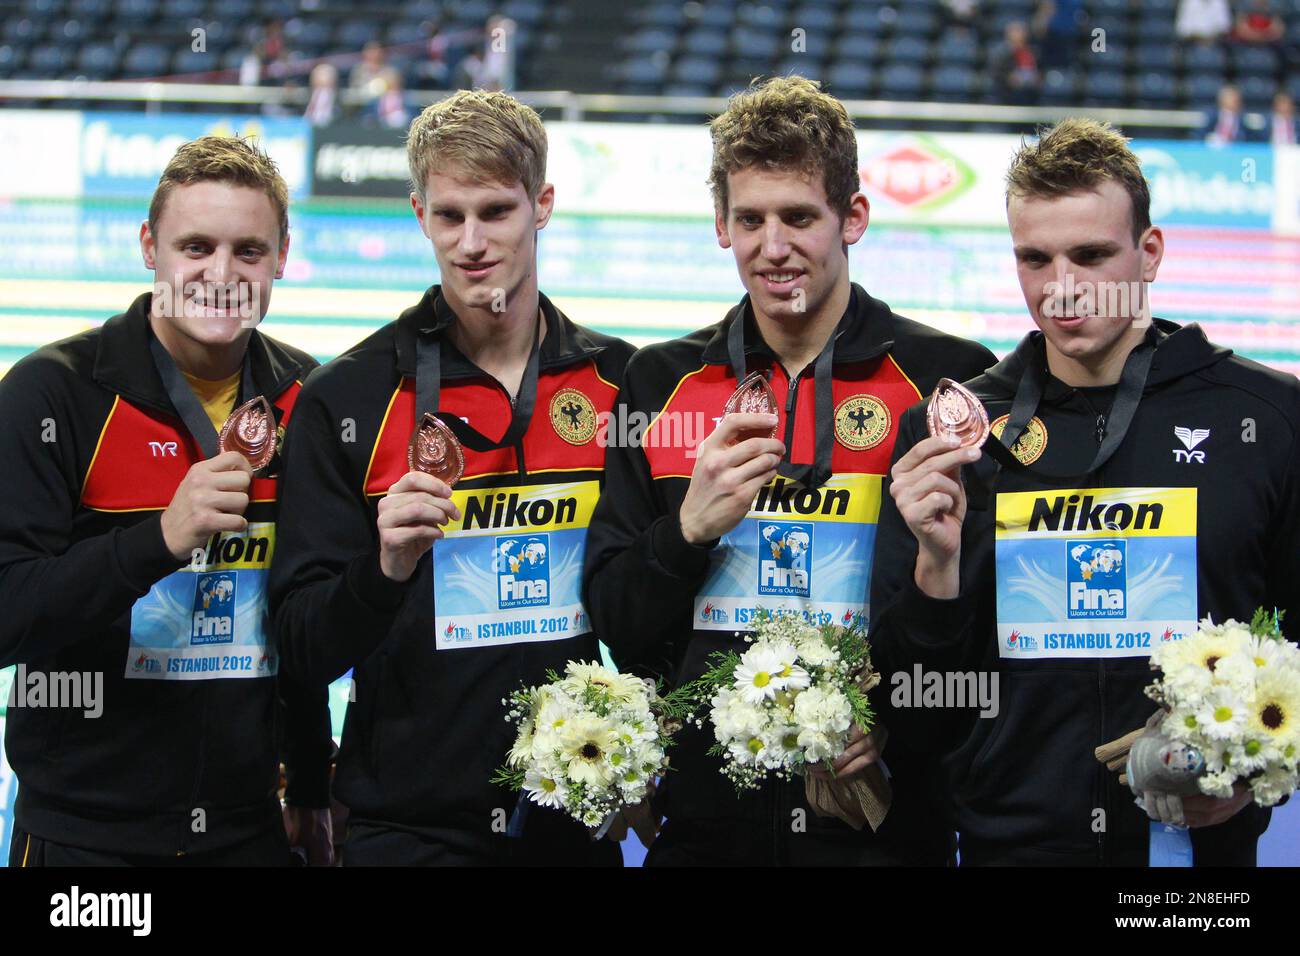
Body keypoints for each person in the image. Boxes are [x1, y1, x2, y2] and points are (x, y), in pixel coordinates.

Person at [582, 76, 995, 867]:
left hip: (882, 829)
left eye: (800, 217)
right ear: (721, 226)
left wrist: (898, 721)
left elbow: (980, 631)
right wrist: (688, 529)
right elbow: (616, 617)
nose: (774, 247)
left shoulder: (949, 381)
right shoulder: (660, 384)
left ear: (854, 218)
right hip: (705, 829)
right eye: (751, 219)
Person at [870, 118, 1300, 866]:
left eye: (1092, 255)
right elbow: (915, 700)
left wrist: (1256, 772)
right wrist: (934, 572)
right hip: (1011, 848)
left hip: (1197, 857)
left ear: (1150, 253)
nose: (1062, 286)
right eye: (1035, 259)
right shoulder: (949, 432)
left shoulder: (1262, 417)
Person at [268, 90, 633, 866]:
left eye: (496, 211)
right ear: (417, 213)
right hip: (407, 827)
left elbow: (651, 601)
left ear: (542, 205)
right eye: (448, 216)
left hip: (570, 816)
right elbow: (301, 647)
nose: (472, 242)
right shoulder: (352, 397)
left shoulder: (621, 383)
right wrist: (383, 568)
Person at [0, 136, 333, 866]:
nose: (222, 273)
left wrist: (310, 778)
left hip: (249, 828)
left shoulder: (308, 399)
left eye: (249, 250)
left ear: (281, 256)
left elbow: (300, 611)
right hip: (87, 839)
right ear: (150, 246)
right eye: (196, 246)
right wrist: (158, 539)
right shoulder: (52, 395)